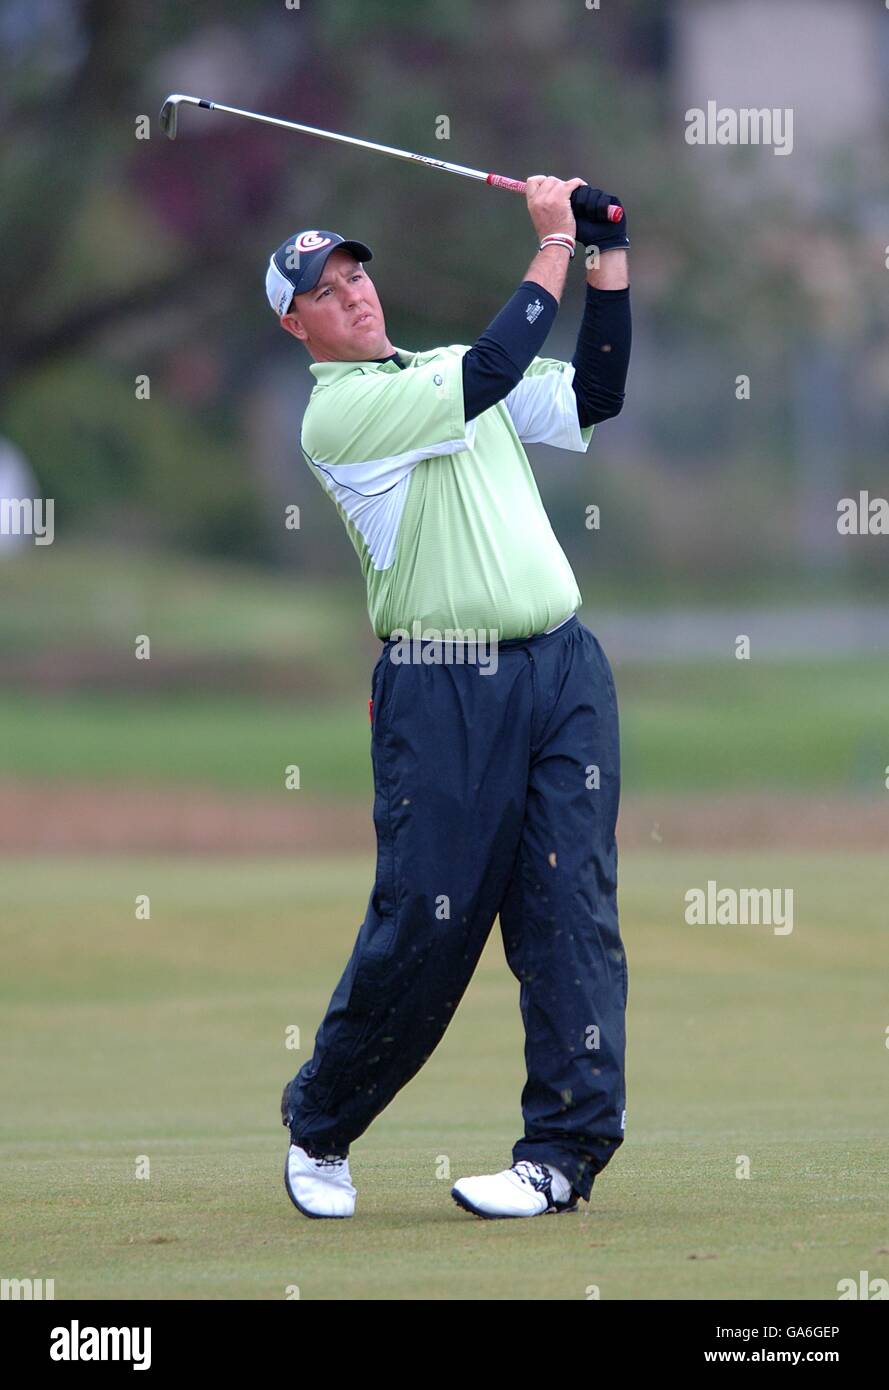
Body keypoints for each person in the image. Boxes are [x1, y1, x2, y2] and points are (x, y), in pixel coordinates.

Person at [269, 174, 631, 1219]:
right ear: (298, 326)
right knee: (429, 919)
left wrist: (608, 260)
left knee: (570, 908)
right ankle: (322, 1123)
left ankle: (561, 1154)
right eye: (327, 291)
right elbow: (491, 368)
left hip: (561, 670)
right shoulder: (342, 416)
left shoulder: (438, 369)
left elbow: (593, 397)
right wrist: (553, 241)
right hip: (441, 687)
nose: (355, 295)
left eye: (355, 275)